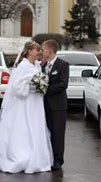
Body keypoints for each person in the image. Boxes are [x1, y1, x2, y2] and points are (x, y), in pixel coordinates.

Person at [0, 41, 53, 174]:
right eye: (36, 50)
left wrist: (41, 87)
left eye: (40, 50)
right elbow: (16, 88)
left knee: (36, 126)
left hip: (36, 103)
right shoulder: (22, 66)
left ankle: (37, 156)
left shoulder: (37, 65)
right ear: (29, 51)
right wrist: (33, 87)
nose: (39, 52)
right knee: (22, 128)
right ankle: (20, 156)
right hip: (25, 103)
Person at [41, 39, 69, 171]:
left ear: (50, 50)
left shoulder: (63, 65)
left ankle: (58, 160)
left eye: (43, 49)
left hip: (58, 106)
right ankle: (48, 158)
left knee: (58, 134)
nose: (42, 52)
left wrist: (45, 88)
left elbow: (63, 84)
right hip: (43, 105)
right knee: (46, 132)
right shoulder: (41, 65)